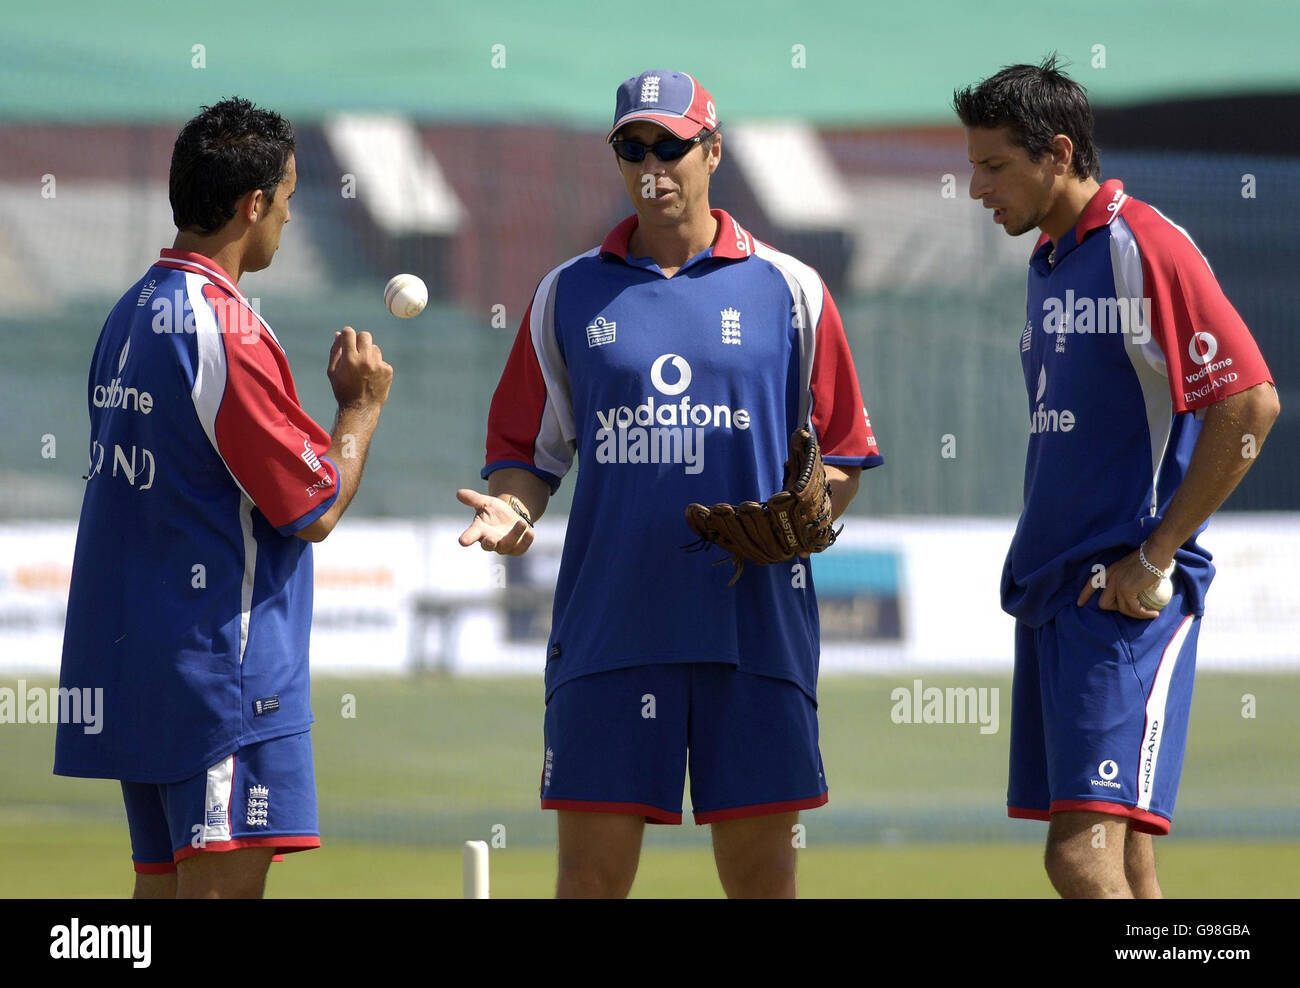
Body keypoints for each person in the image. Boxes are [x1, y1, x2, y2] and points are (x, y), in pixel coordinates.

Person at [458, 69, 882, 899]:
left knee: (764, 885)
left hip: (754, 629)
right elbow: (528, 454)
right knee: (589, 884)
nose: (651, 163)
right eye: (631, 146)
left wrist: (811, 515)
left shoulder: (791, 290)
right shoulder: (568, 294)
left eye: (670, 145)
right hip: (613, 628)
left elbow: (843, 455)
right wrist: (512, 507)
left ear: (713, 151)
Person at [954, 56, 1279, 898]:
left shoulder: (1146, 245)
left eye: (995, 166)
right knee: (1127, 859)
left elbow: (1250, 405)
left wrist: (1159, 553)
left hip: (1123, 597)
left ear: (1058, 153)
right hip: (1060, 592)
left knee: (1077, 857)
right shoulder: (1052, 260)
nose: (977, 188)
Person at [54, 97, 393, 898]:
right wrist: (361, 407)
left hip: (138, 668)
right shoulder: (224, 328)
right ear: (253, 205)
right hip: (222, 682)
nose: (286, 214)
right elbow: (313, 507)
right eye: (288, 197)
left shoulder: (130, 312)